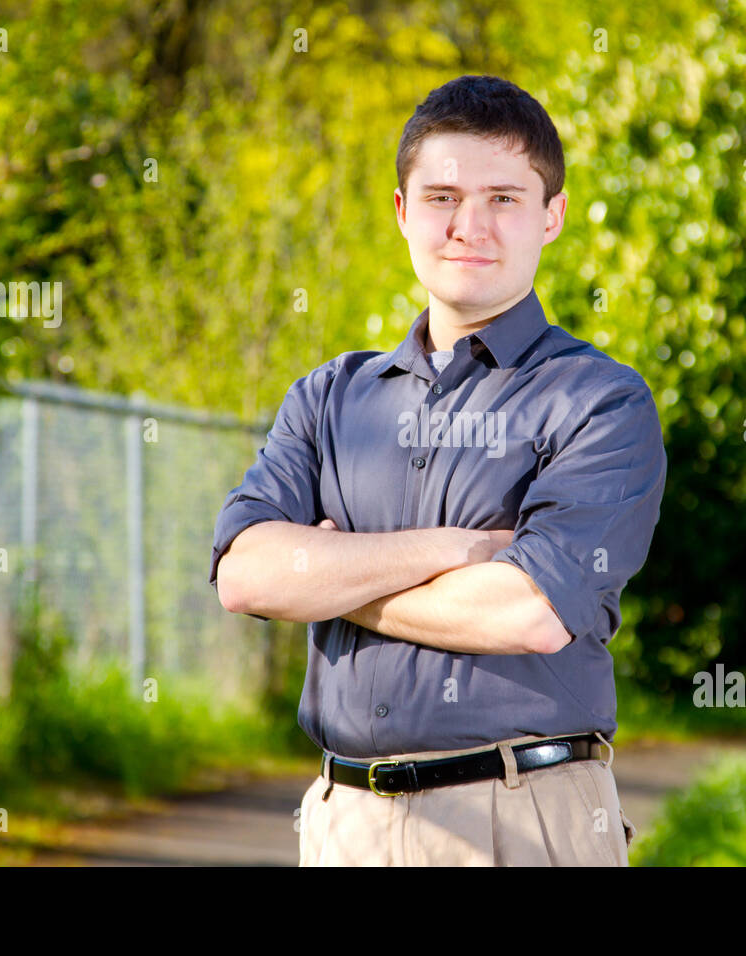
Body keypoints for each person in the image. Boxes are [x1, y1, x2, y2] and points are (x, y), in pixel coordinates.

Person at [209, 74, 667, 866]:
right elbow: (247, 576)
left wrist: (331, 577)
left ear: (551, 216)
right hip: (344, 825)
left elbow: (528, 613)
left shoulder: (601, 401)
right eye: (443, 197)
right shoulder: (328, 397)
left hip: (523, 821)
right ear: (402, 212)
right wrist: (457, 550)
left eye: (503, 198)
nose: (469, 226)